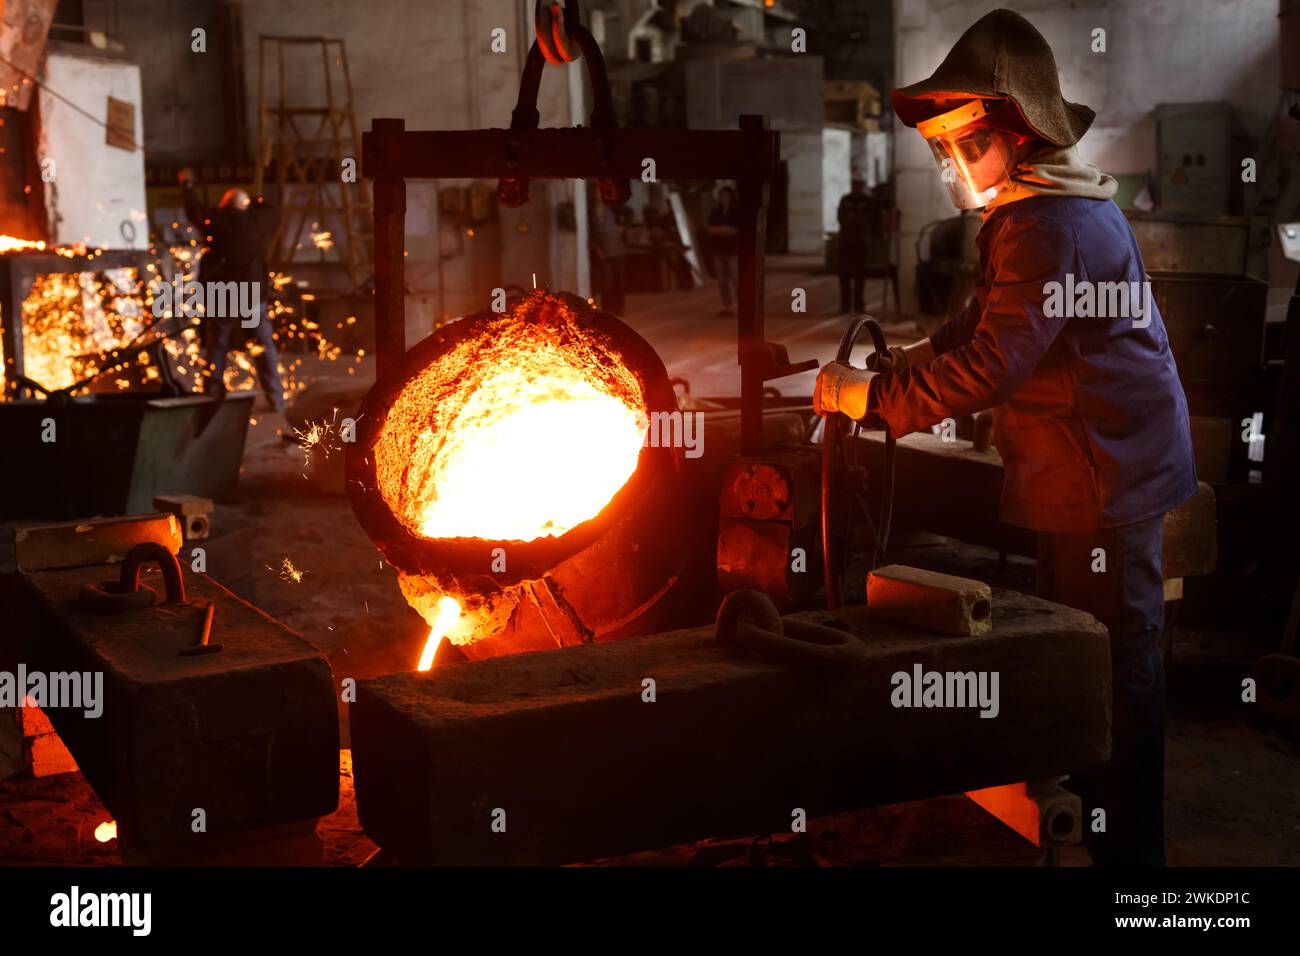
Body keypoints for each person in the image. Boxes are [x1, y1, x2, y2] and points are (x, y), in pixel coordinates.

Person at [813, 9, 1196, 866]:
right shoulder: (1041, 207)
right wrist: (913, 358)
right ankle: (1090, 820)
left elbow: (994, 365)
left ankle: (1135, 870)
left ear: (1021, 135)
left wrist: (873, 399)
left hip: (1106, 477)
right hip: (1098, 464)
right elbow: (985, 320)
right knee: (1085, 652)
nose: (955, 164)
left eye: (969, 145)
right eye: (945, 150)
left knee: (1115, 669)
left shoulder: (1048, 227)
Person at [178, 167, 284, 411]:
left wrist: (188, 185)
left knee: (218, 345)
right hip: (252, 296)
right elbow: (271, 208)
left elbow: (194, 210)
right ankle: (276, 399)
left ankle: (211, 394)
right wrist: (253, 200)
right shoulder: (257, 222)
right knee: (264, 346)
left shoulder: (216, 222)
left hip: (223, 297)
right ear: (246, 206)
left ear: (224, 206)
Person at [836, 177, 873, 314]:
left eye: (858, 184)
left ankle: (858, 304)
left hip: (860, 243)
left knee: (860, 276)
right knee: (844, 275)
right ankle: (845, 305)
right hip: (846, 243)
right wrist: (854, 220)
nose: (856, 187)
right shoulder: (845, 199)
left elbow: (869, 219)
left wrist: (854, 220)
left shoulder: (867, 201)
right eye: (854, 184)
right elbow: (841, 217)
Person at [704, 185, 741, 316]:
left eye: (726, 196)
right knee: (721, 280)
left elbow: (734, 230)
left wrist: (719, 230)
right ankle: (727, 306)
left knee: (736, 279)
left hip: (733, 251)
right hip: (718, 250)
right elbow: (709, 229)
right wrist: (724, 229)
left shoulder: (736, 212)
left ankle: (742, 305)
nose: (723, 199)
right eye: (721, 196)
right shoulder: (716, 212)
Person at [589, 192, 627, 315]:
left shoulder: (612, 207)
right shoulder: (590, 211)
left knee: (619, 279)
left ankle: (619, 308)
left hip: (616, 247)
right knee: (607, 280)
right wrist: (597, 249)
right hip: (602, 249)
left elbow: (627, 213)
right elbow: (590, 233)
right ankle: (608, 308)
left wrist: (622, 227)